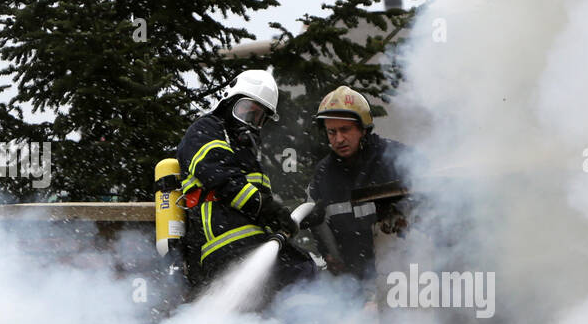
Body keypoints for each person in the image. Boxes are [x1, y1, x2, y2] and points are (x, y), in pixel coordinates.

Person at [176, 69, 307, 298]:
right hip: (221, 244)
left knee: (302, 269)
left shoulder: (247, 154)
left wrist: (280, 219)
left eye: (259, 118)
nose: (251, 123)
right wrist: (267, 209)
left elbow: (260, 201)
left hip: (249, 242)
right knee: (298, 270)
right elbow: (220, 177)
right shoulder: (205, 130)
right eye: (246, 112)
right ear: (228, 103)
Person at [303, 86, 411, 297]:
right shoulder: (323, 175)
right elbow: (317, 223)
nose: (338, 139)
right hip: (355, 285)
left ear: (363, 128)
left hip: (405, 279)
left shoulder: (396, 159)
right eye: (331, 132)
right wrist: (329, 256)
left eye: (345, 130)